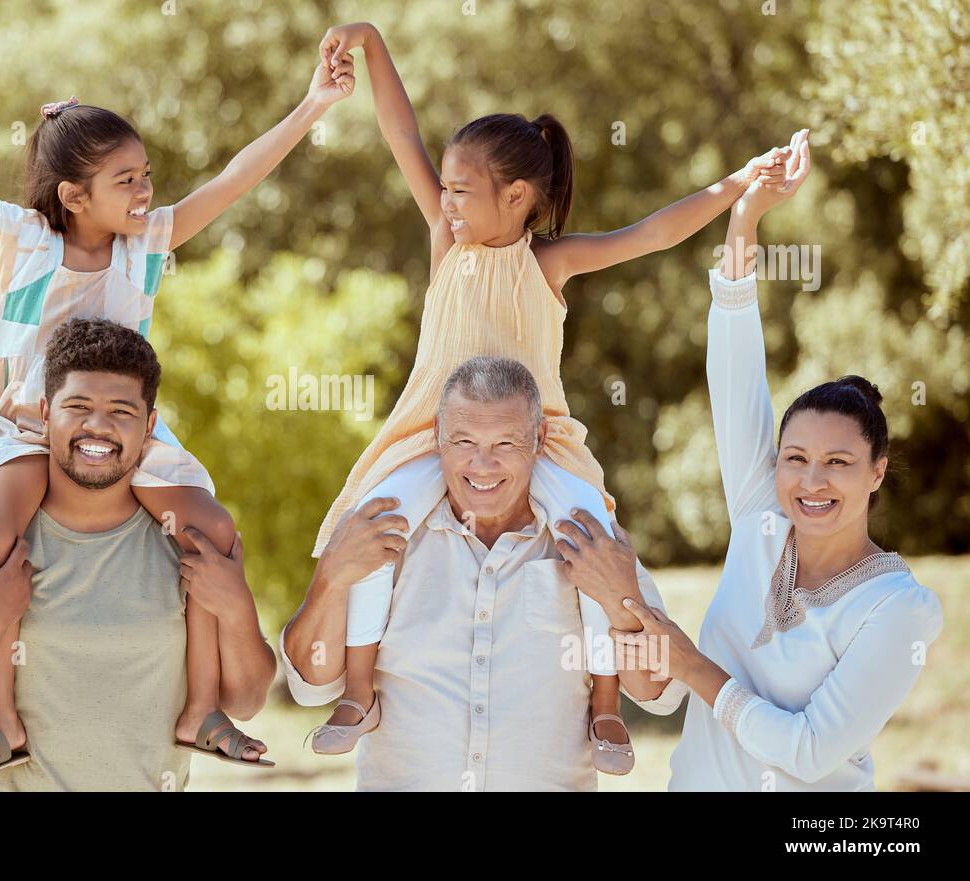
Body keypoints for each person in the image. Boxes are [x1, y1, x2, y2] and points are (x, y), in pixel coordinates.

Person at [0, 52, 353, 780]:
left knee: (211, 526)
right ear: (73, 196)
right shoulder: (22, 240)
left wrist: (311, 108)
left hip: (114, 425)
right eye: (127, 180)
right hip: (18, 424)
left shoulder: (147, 245)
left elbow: (236, 179)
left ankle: (202, 707)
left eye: (146, 174)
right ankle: (2, 718)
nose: (146, 190)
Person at [304, 21, 789, 770]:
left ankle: (603, 708)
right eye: (447, 187)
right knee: (373, 527)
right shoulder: (447, 240)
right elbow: (399, 131)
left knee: (591, 537)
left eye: (462, 189)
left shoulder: (550, 264)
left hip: (540, 443)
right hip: (429, 436)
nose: (448, 200)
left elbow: (655, 233)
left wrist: (742, 184)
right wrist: (370, 41)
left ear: (519, 195)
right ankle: (359, 689)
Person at [580, 131, 943, 790]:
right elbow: (734, 363)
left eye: (838, 462)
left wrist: (691, 665)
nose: (809, 480)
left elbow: (806, 752)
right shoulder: (762, 516)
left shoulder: (899, 608)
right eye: (795, 456)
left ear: (878, 470)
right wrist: (746, 217)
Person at [0, 318, 277, 790]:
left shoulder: (184, 543)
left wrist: (237, 608)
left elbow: (248, 700)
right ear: (45, 413)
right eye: (78, 406)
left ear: (150, 425)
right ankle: (1, 722)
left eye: (121, 411)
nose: (99, 426)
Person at [281, 355, 691, 790]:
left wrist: (619, 599)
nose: (483, 466)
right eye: (464, 442)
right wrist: (330, 578)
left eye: (505, 445)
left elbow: (657, 693)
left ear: (539, 438)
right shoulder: (383, 536)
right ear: (438, 436)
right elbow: (310, 685)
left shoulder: (591, 540)